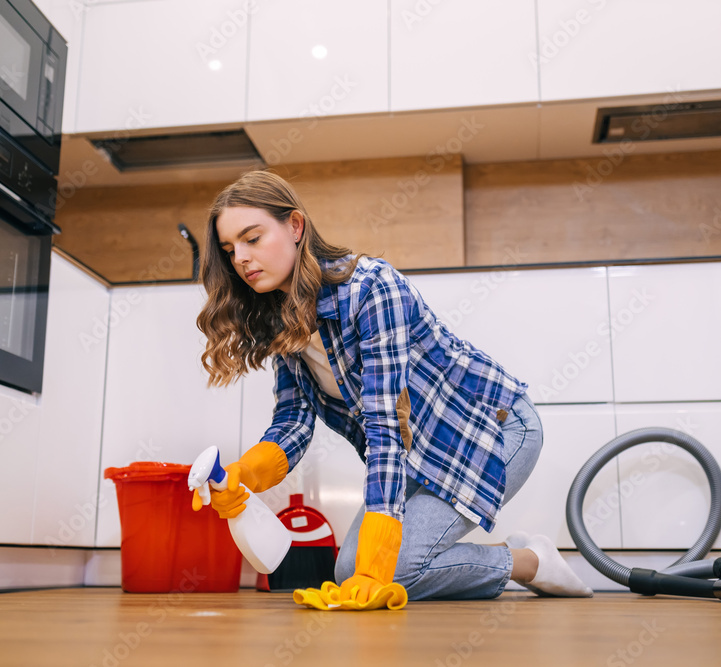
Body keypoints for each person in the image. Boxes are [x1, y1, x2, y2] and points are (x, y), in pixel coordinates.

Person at [194, 170, 592, 603]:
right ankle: (518, 560)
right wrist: (242, 477)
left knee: (389, 570)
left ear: (295, 226)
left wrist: (378, 564)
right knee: (351, 570)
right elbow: (292, 422)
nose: (242, 260)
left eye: (253, 238)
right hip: (413, 452)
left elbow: (384, 423)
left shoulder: (369, 288)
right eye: (231, 250)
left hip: (488, 430)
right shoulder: (282, 320)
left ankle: (532, 562)